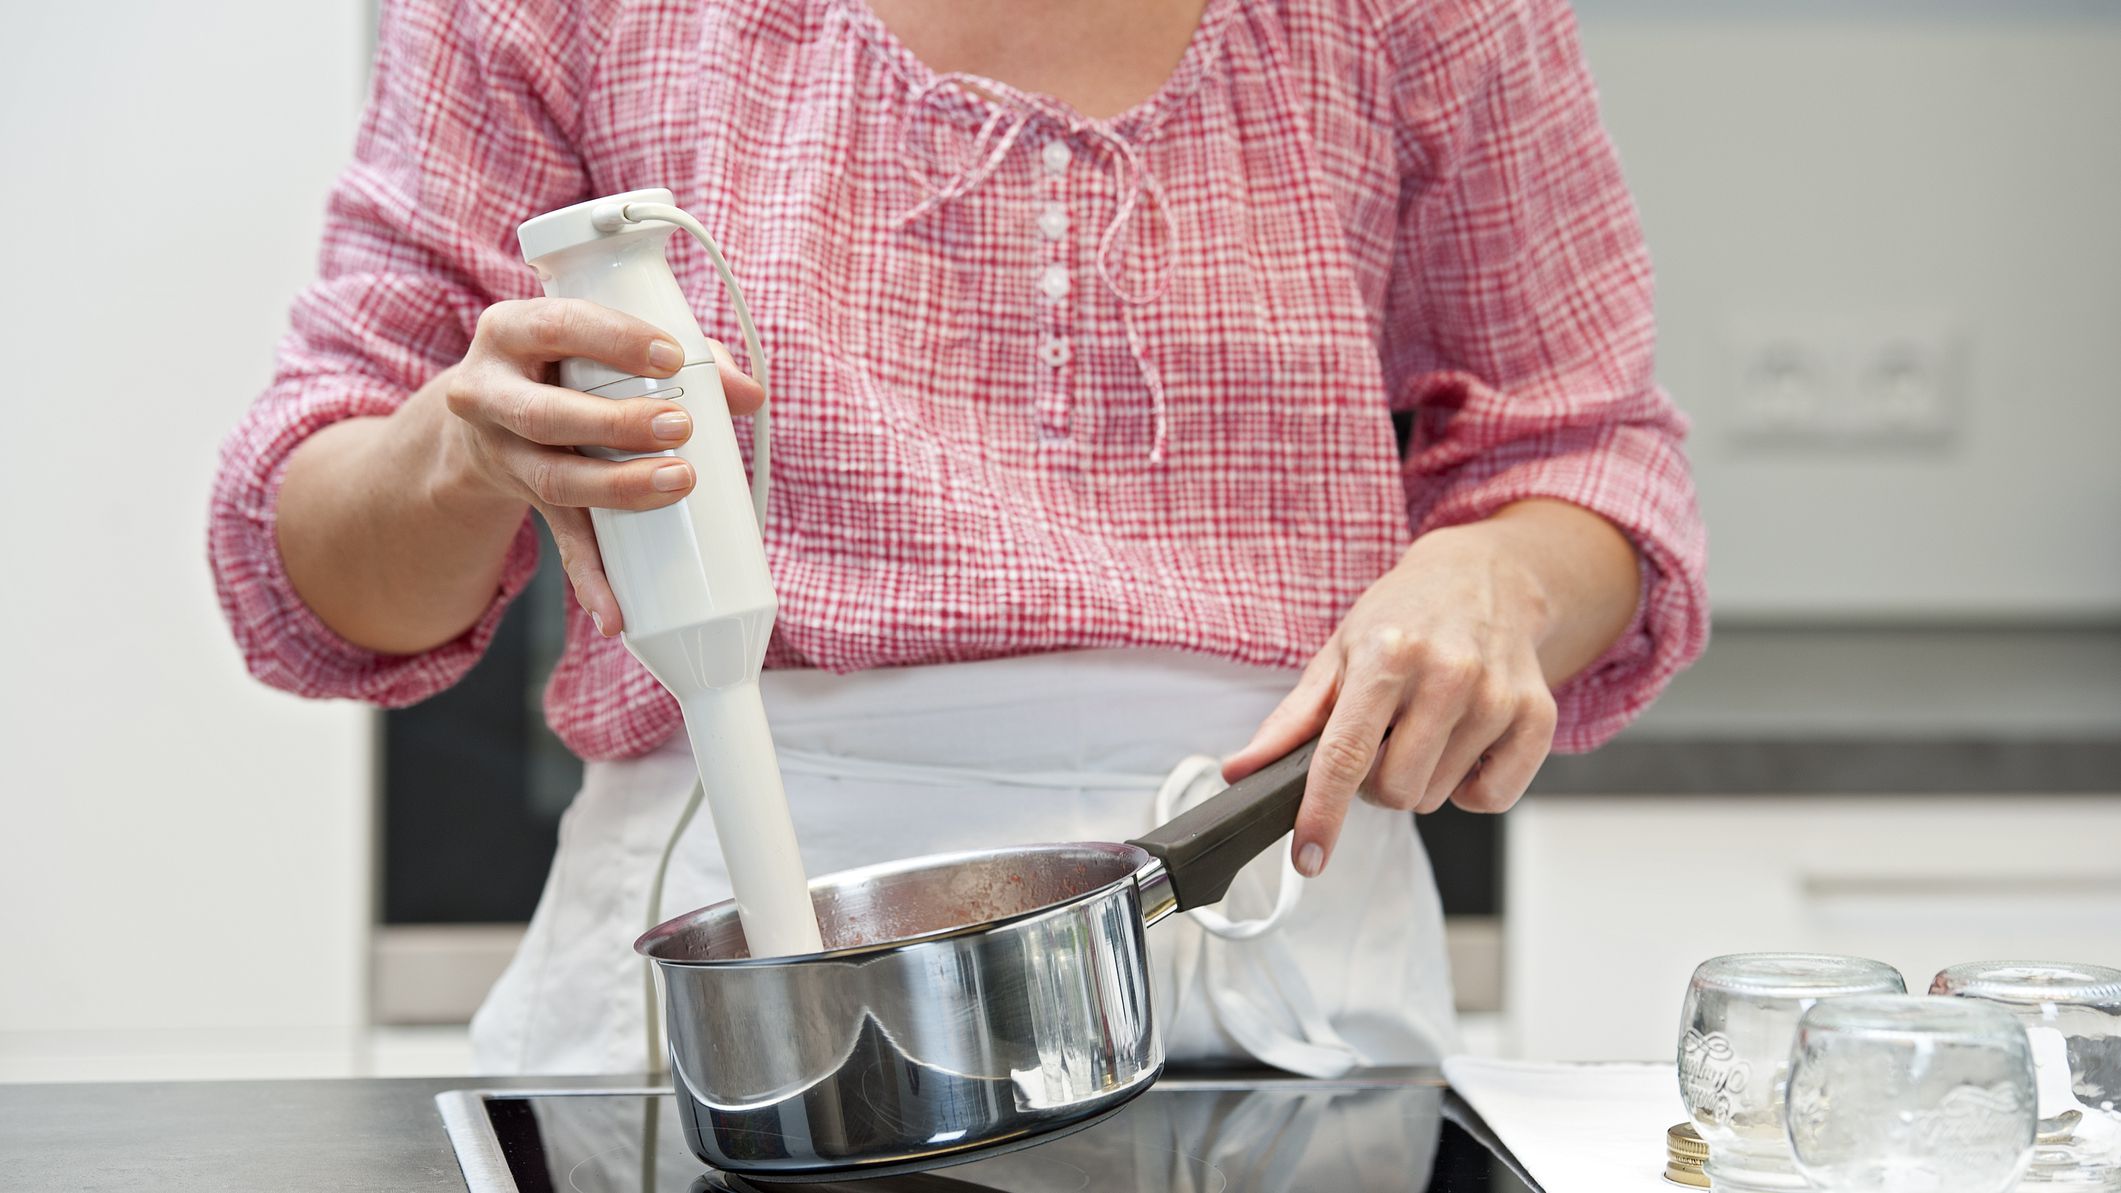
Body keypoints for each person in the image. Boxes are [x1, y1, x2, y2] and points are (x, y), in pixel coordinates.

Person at [210, 0, 1707, 1076]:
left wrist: (1495, 571)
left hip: (1274, 961)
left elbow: (1591, 457)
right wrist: (460, 445)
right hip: (738, 990)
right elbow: (316, 578)